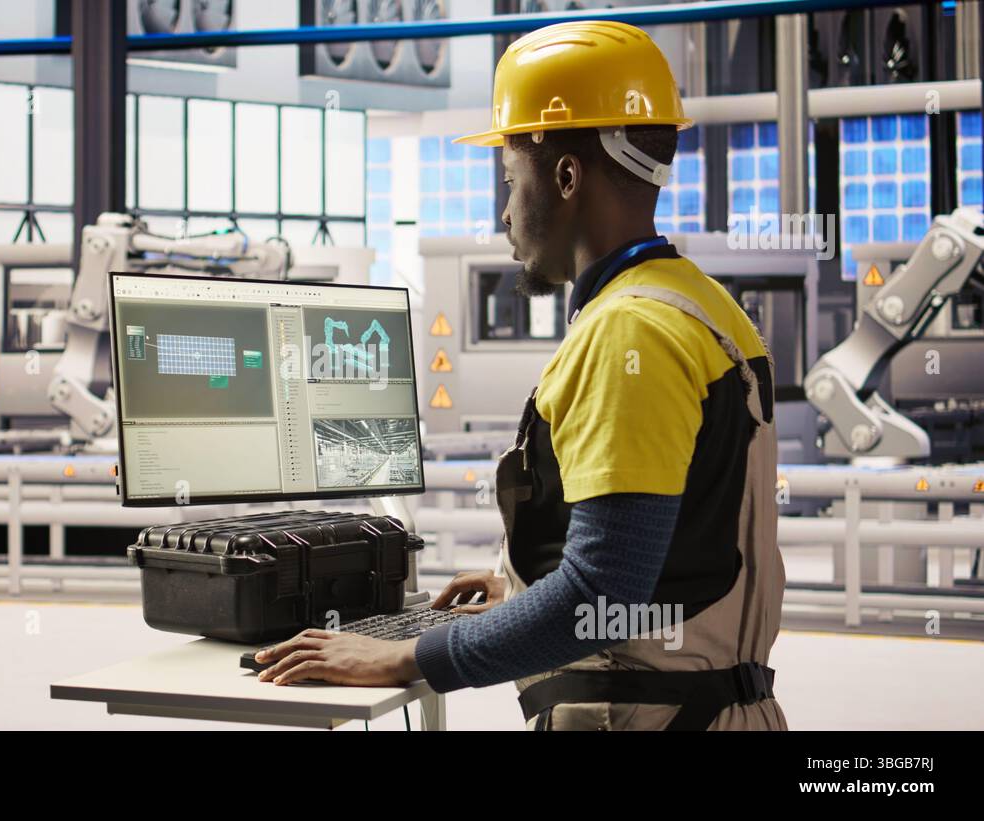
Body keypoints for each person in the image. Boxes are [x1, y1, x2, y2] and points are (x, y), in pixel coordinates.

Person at [254, 19, 787, 731]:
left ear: (566, 177)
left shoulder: (628, 331)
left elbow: (600, 593)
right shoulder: (700, 301)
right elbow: (681, 552)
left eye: (511, 179)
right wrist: (524, 585)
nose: (504, 212)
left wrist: (411, 653)